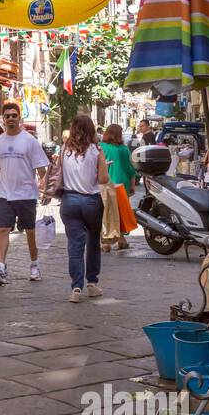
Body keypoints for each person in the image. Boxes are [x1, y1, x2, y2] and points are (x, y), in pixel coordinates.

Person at [0, 101, 49, 286]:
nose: (11, 119)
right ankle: (0, 265)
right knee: (2, 229)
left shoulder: (29, 141)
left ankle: (34, 264)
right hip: (4, 194)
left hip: (26, 194)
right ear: (3, 119)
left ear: (19, 118)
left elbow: (41, 168)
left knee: (30, 231)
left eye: (14, 115)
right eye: (7, 116)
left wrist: (45, 188)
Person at [57, 114, 110, 302]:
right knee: (93, 242)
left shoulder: (64, 149)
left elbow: (59, 173)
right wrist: (103, 163)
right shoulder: (96, 151)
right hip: (91, 201)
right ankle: (92, 283)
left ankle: (76, 288)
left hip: (69, 201)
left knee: (75, 245)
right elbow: (104, 179)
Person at [100, 123, 135, 251]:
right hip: (122, 185)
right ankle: (121, 239)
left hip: (106, 185)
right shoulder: (124, 150)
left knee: (106, 213)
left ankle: (106, 242)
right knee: (120, 213)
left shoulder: (101, 147)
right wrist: (132, 185)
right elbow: (130, 169)